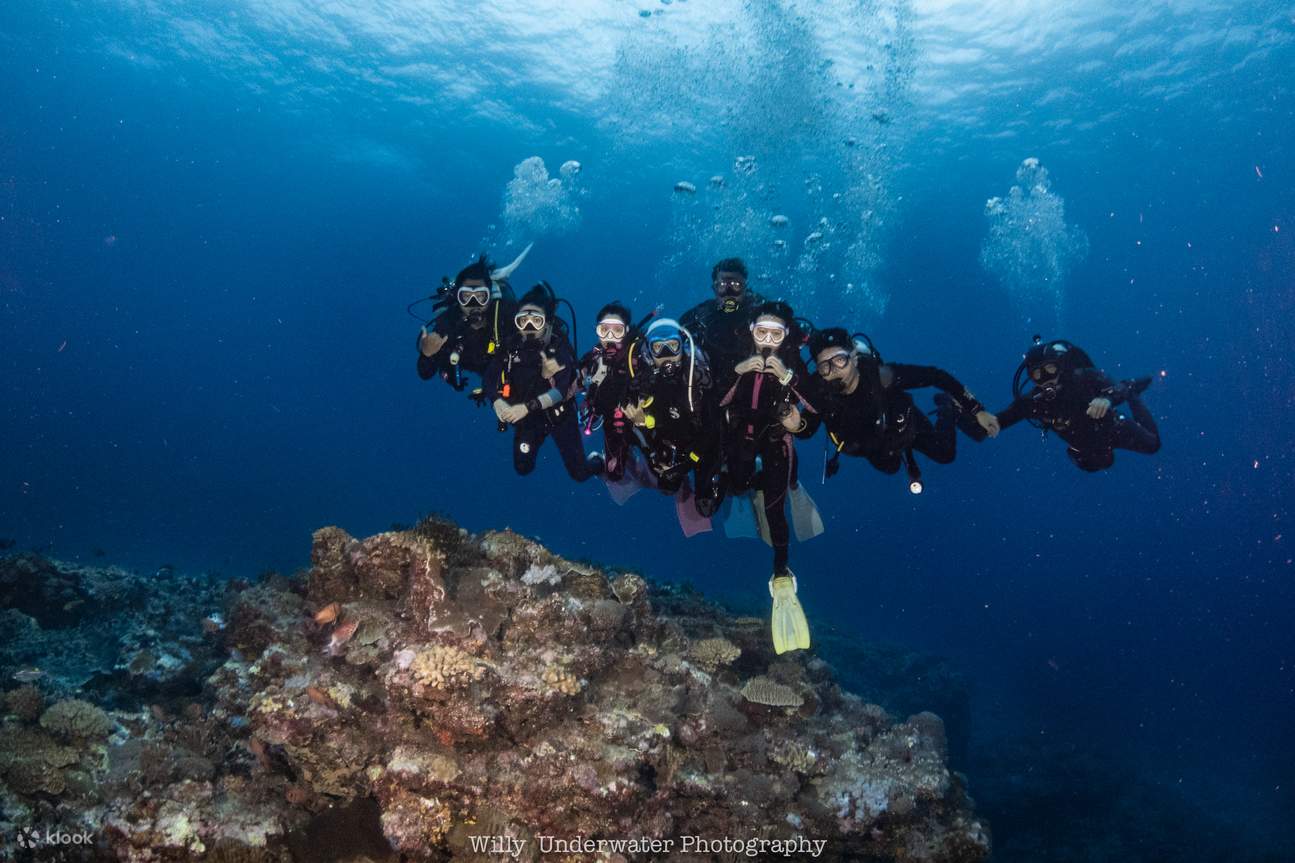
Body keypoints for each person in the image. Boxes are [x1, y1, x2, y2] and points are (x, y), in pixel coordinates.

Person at [719, 300, 818, 655]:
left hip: (777, 446)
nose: (768, 341)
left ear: (786, 337)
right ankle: (754, 485)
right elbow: (710, 402)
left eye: (776, 334)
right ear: (751, 333)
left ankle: (781, 574)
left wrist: (789, 382)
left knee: (776, 511)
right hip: (740, 442)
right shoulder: (738, 357)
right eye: (761, 332)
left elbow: (818, 413)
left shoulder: (794, 368)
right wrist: (738, 370)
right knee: (736, 486)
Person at [800, 328, 1000, 493]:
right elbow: (805, 431)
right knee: (891, 467)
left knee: (945, 454)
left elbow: (935, 376)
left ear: (854, 358)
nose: (834, 371)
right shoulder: (819, 392)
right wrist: (791, 422)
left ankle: (948, 408)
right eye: (824, 366)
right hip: (870, 445)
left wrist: (977, 410)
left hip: (905, 425)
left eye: (840, 360)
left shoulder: (882, 377)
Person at [484, 282, 604, 481]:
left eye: (536, 321)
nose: (529, 327)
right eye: (523, 320)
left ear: (547, 322)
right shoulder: (511, 347)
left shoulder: (558, 347)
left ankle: (599, 462)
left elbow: (561, 391)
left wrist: (527, 407)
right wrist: (496, 400)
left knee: (580, 474)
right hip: (528, 421)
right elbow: (489, 377)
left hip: (559, 416)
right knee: (523, 467)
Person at [988, 337, 1159, 472]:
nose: (1047, 378)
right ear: (1031, 378)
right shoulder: (1035, 402)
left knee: (1153, 445)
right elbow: (997, 421)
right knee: (1100, 463)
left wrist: (1107, 399)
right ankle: (1086, 457)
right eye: (1038, 374)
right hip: (1086, 447)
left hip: (1112, 428)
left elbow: (1115, 388)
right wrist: (973, 415)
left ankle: (1133, 388)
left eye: (1050, 369)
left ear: (1060, 366)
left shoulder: (1083, 378)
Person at [621, 318, 725, 525]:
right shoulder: (642, 382)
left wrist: (687, 463)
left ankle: (725, 473)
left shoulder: (697, 376)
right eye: (659, 348)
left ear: (683, 347)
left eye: (673, 346)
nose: (667, 354)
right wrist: (649, 447)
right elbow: (631, 431)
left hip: (703, 444)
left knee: (706, 507)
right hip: (671, 441)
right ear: (648, 352)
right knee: (667, 486)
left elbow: (713, 429)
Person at [417, 247, 528, 398]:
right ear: (458, 298)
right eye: (466, 297)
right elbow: (425, 372)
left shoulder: (505, 313)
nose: (474, 303)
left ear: (490, 296)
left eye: (480, 296)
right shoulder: (449, 322)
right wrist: (426, 353)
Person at [679, 258, 767, 394]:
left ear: (745, 287)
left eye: (736, 285)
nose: (729, 293)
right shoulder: (701, 315)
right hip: (712, 395)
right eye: (722, 285)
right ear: (714, 288)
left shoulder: (763, 313)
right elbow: (673, 337)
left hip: (756, 393)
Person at [575, 302, 639, 482]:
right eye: (604, 330)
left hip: (643, 422)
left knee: (665, 475)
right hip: (613, 421)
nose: (610, 337)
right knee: (614, 474)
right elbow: (575, 382)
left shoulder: (641, 356)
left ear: (627, 331)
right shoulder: (593, 359)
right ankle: (601, 460)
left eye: (617, 331)